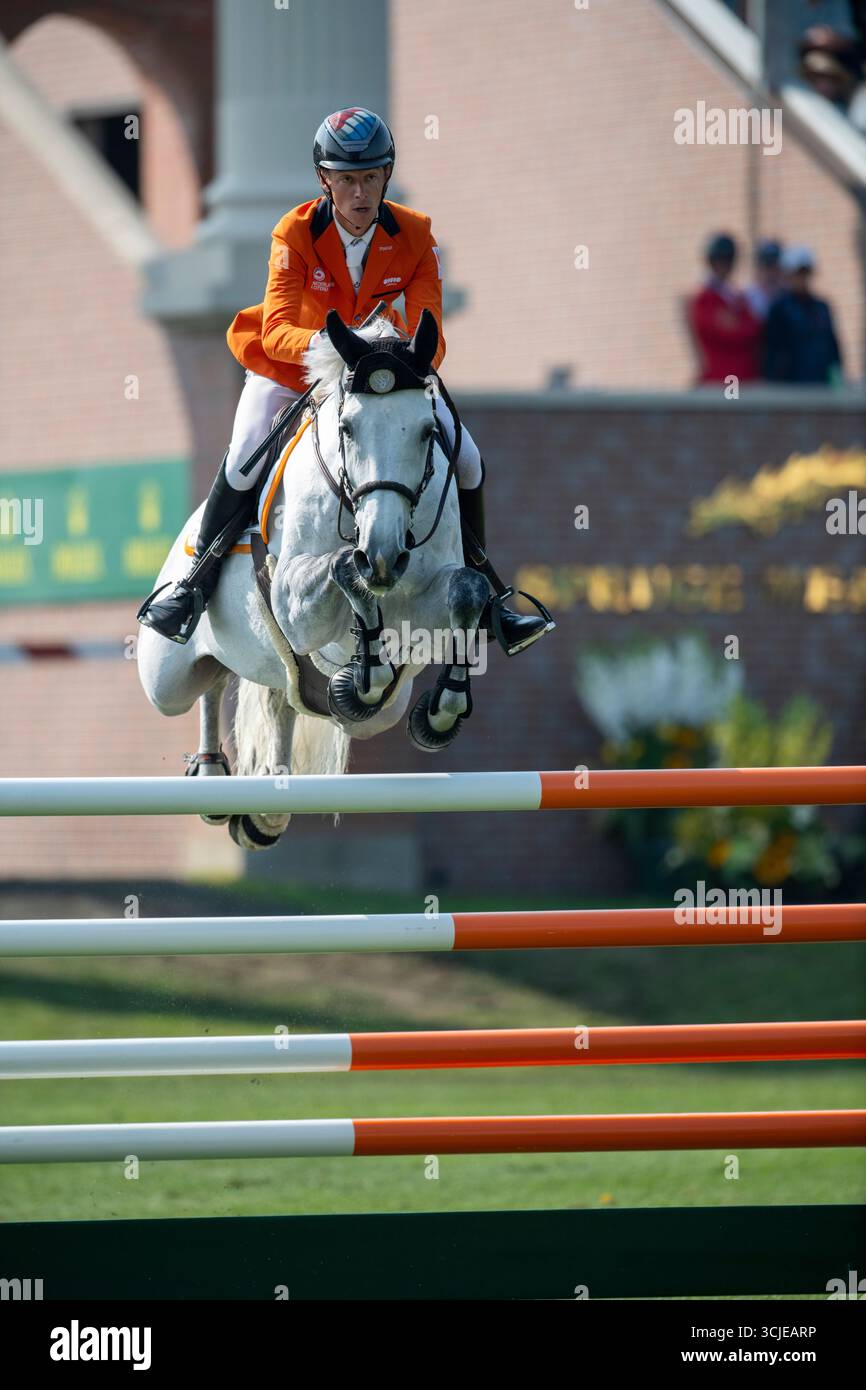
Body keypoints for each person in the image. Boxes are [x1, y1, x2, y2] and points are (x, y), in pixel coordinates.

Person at [138, 107, 551, 657]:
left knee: (469, 459)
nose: (361, 193)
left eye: (372, 178)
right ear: (325, 180)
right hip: (297, 370)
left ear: (386, 176)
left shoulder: (416, 235)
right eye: (348, 180)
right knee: (242, 456)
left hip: (385, 377)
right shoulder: (295, 232)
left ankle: (491, 597)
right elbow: (281, 326)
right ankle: (192, 588)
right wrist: (339, 352)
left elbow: (432, 335)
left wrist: (386, 357)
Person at [687, 233, 763, 386]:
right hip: (724, 380)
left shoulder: (737, 298)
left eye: (729, 260)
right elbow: (731, 332)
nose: (725, 266)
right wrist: (743, 326)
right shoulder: (705, 300)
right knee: (729, 408)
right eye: (721, 261)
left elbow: (754, 328)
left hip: (746, 379)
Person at [763, 245, 843, 384]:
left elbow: (833, 349)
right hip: (792, 389)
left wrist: (837, 379)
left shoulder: (822, 307)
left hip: (821, 385)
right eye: (797, 273)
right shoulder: (779, 309)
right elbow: (772, 355)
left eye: (804, 272)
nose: (801, 278)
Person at [744, 239, 784, 321]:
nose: (772, 272)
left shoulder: (787, 296)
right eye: (768, 266)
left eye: (775, 266)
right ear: (759, 268)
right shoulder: (748, 297)